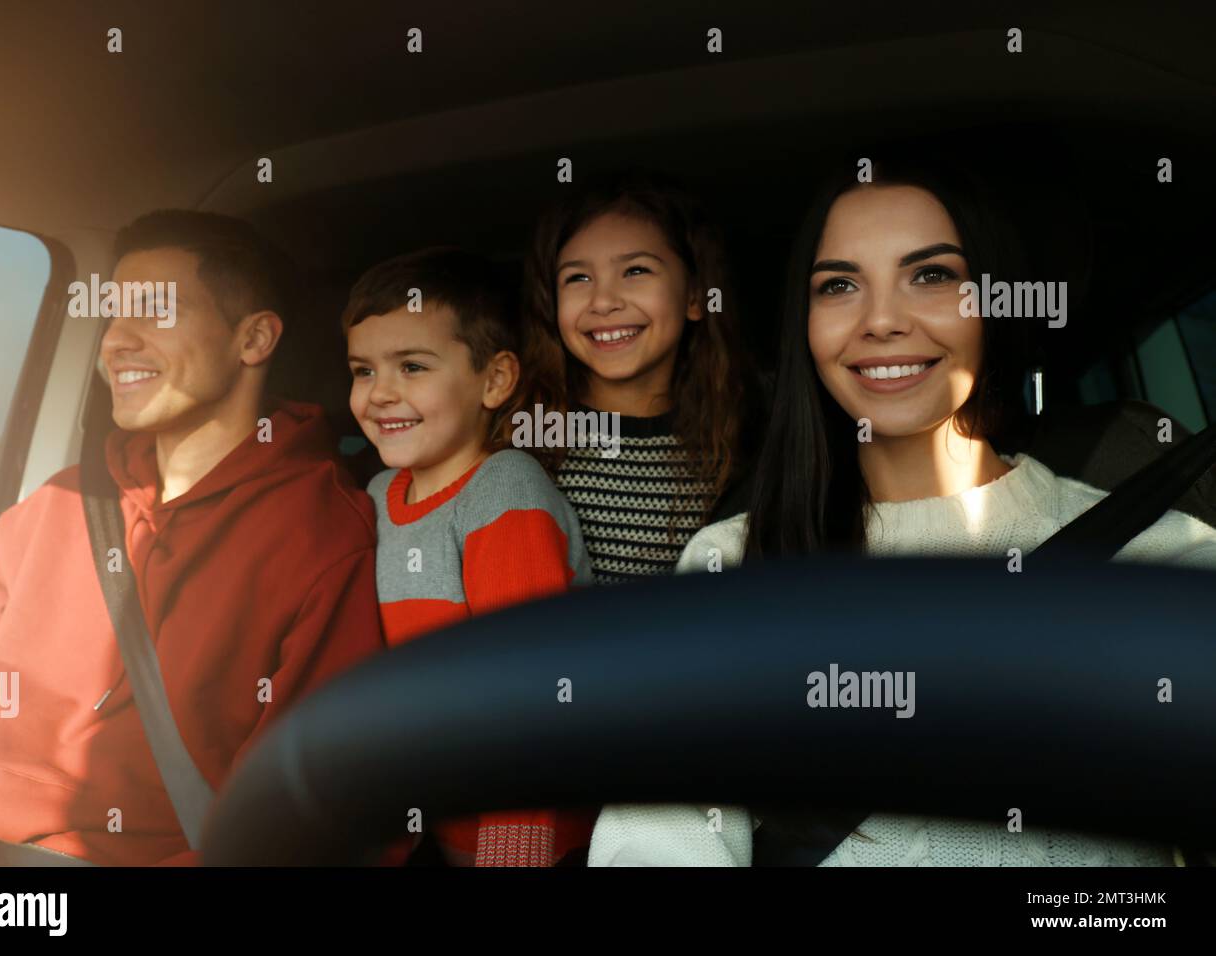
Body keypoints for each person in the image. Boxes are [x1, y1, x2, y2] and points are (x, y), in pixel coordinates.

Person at [588, 158, 1216, 867]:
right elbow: (658, 838)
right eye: (839, 286)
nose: (881, 320)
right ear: (806, 324)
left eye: (931, 276)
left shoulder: (1153, 558)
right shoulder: (730, 564)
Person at [0, 211, 384, 865]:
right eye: (112, 315)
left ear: (253, 339)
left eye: (154, 312)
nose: (116, 341)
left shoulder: (324, 536)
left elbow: (307, 813)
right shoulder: (57, 503)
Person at [343, 246, 594, 865]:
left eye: (412, 367)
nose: (380, 394)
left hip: (532, 837)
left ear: (495, 381)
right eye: (363, 370)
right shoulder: (378, 494)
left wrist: (513, 852)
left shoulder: (503, 490)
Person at [521, 172, 755, 585]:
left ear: (695, 297)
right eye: (578, 278)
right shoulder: (525, 436)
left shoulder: (737, 443)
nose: (604, 301)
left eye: (636, 271)